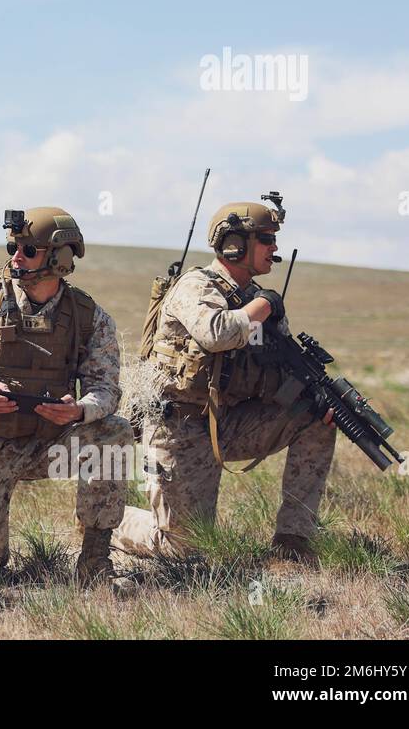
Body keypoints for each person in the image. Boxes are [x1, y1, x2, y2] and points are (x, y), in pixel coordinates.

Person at [114, 196, 335, 565]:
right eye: (266, 238)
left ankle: (292, 541)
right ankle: (115, 522)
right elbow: (216, 333)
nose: (274, 247)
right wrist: (264, 305)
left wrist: (313, 397)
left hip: (231, 422)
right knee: (182, 550)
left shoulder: (257, 300)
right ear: (235, 244)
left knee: (314, 419)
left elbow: (278, 372)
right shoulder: (196, 287)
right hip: (179, 428)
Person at [0, 207, 132, 585]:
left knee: (113, 433)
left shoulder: (89, 317)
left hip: (44, 443)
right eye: (13, 247)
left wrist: (80, 411)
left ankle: (95, 563)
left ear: (60, 259)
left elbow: (106, 389)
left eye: (28, 250)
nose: (15, 257)